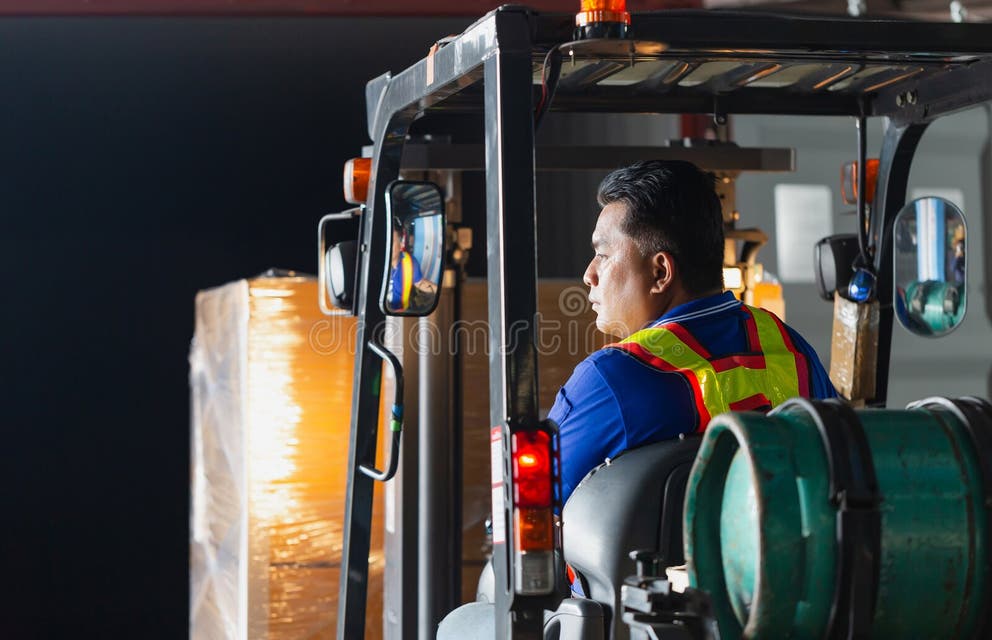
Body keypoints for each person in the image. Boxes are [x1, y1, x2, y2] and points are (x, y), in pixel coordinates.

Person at [549, 160, 837, 504]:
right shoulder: (792, 350)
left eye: (602, 254)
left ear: (660, 272)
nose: (589, 274)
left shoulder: (611, 381)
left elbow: (528, 505)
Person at [387, 221, 437, 312]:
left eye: (390, 242)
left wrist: (439, 290)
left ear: (401, 243)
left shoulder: (409, 262)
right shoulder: (375, 263)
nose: (386, 247)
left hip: (401, 314)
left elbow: (420, 282)